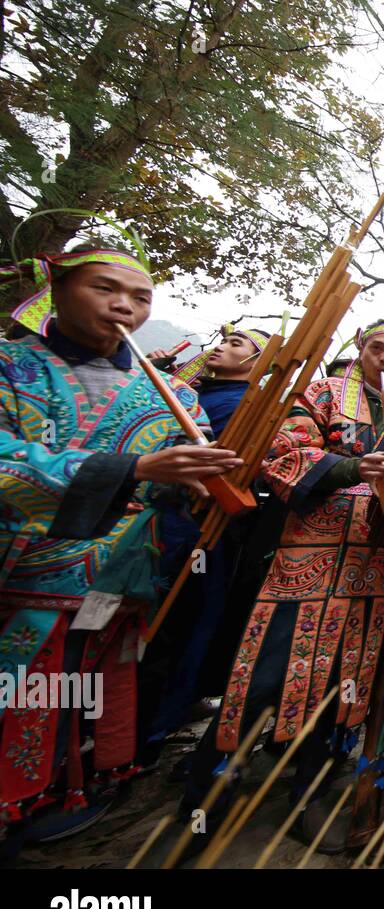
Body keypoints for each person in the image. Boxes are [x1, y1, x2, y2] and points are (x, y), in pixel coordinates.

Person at [0, 246, 240, 852]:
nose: (123, 308)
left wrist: (196, 485)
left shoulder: (174, 396)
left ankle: (68, 789)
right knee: (24, 688)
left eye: (140, 298)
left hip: (120, 571)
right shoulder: (10, 366)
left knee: (86, 689)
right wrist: (131, 468)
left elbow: (180, 483)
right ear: (56, 287)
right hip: (23, 571)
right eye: (105, 289)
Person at [160, 319, 384, 860]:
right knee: (262, 679)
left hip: (380, 566)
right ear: (358, 348)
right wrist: (350, 466)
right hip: (309, 559)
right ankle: (206, 799)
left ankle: (312, 792)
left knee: (346, 686)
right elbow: (281, 453)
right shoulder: (321, 393)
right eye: (379, 347)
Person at [137, 326, 272, 770]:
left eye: (237, 345)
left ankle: (154, 723)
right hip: (154, 523)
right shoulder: (188, 390)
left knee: (183, 622)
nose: (221, 347)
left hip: (202, 529)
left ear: (258, 363)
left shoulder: (245, 409)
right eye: (224, 339)